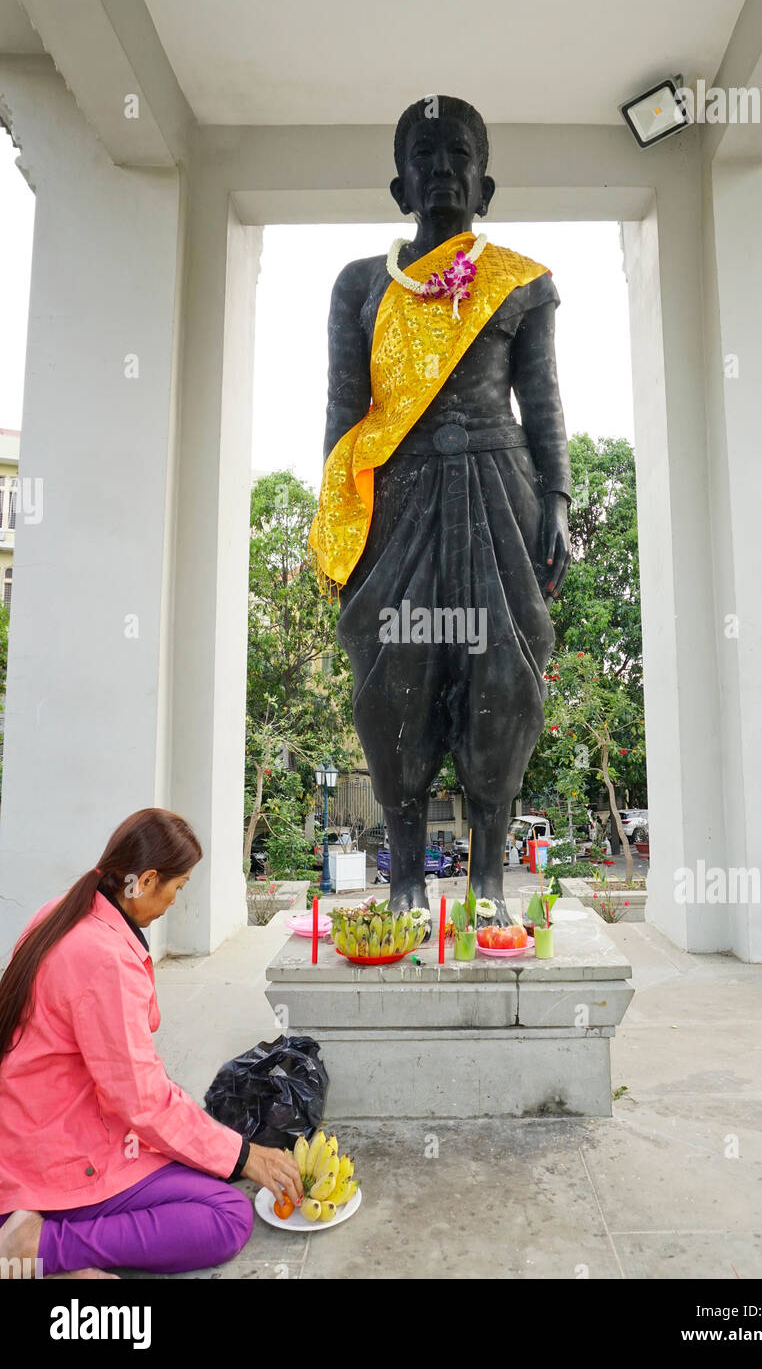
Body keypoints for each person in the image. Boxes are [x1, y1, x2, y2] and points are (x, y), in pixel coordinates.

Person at [309, 95, 572, 928]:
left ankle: (489, 881)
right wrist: (340, 529)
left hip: (502, 495)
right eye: (425, 155)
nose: (443, 168)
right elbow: (343, 421)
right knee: (399, 681)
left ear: (485, 186)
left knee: (502, 678)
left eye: (459, 154)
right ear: (399, 187)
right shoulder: (359, 286)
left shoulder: (520, 285)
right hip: (401, 502)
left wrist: (559, 500)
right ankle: (406, 882)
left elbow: (546, 404)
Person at [0, 807, 303, 1278]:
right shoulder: (103, 959)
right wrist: (243, 1155)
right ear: (145, 880)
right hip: (55, 1158)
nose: (174, 904)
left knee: (202, 1162)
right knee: (227, 1216)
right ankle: (40, 1246)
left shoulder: (59, 912)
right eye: (177, 889)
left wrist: (215, 1148)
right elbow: (140, 1100)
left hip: (32, 1137)